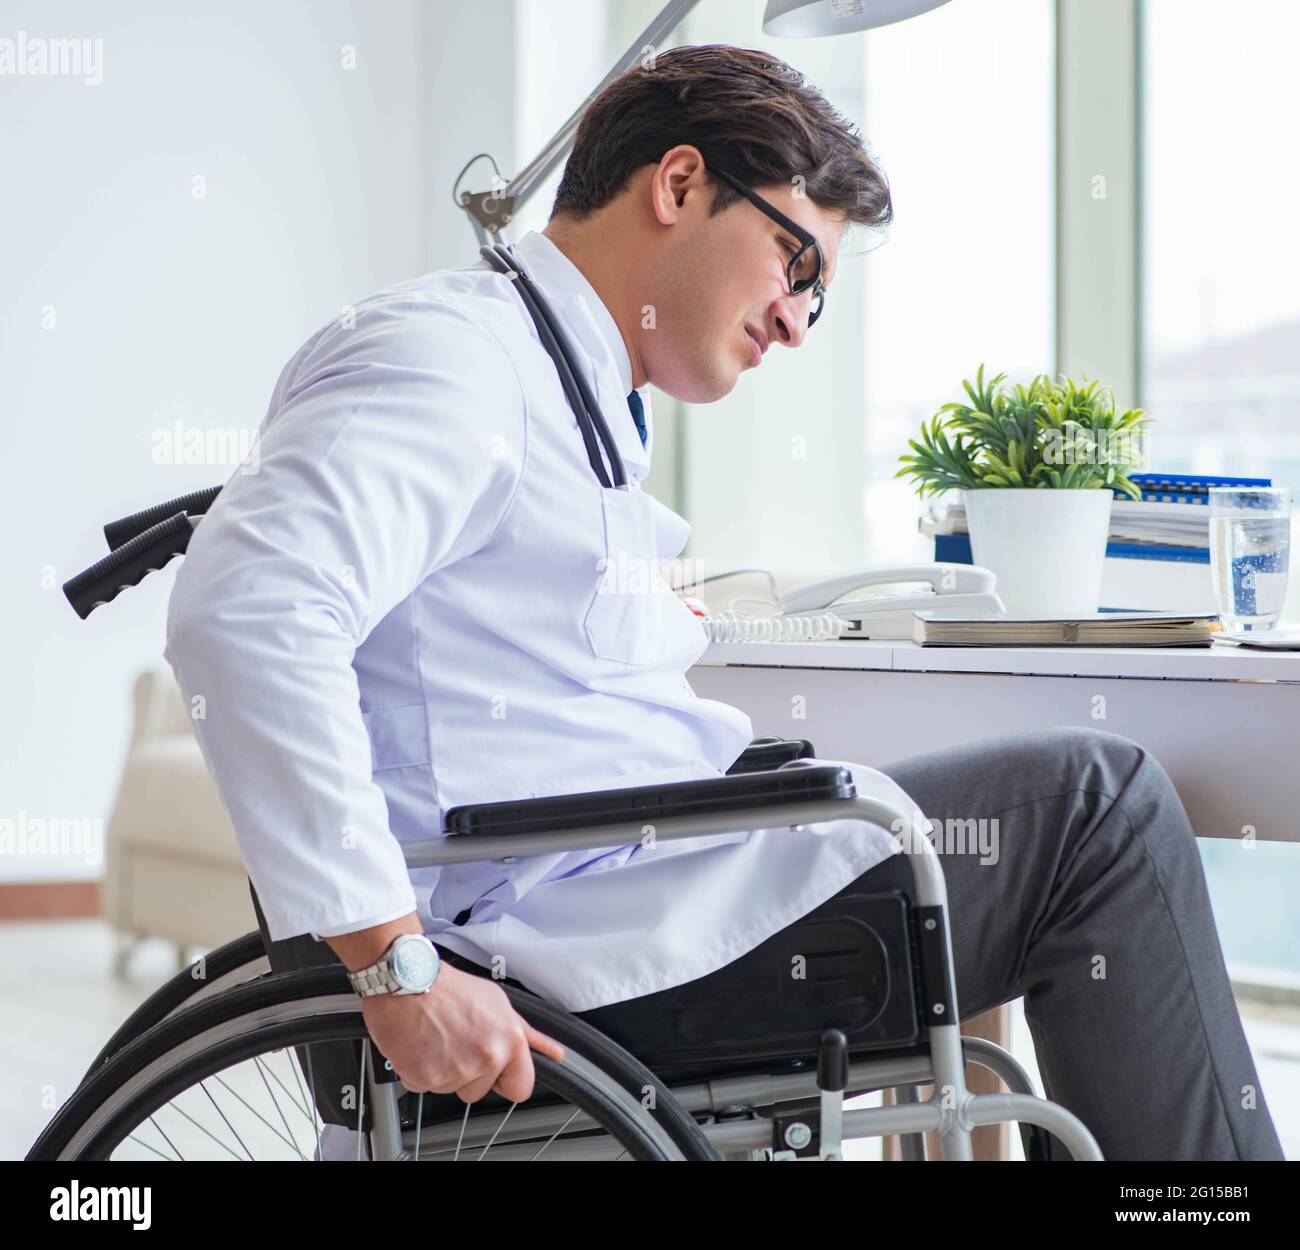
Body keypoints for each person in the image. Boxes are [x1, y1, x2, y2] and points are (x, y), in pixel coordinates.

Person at [163, 44, 1284, 1160]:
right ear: (680, 183)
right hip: (569, 960)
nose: (797, 321)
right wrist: (395, 964)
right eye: (795, 263)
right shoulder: (455, 359)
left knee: (1044, 802)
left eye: (819, 298)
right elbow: (250, 614)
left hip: (625, 904)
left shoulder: (563, 385)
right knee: (1099, 806)